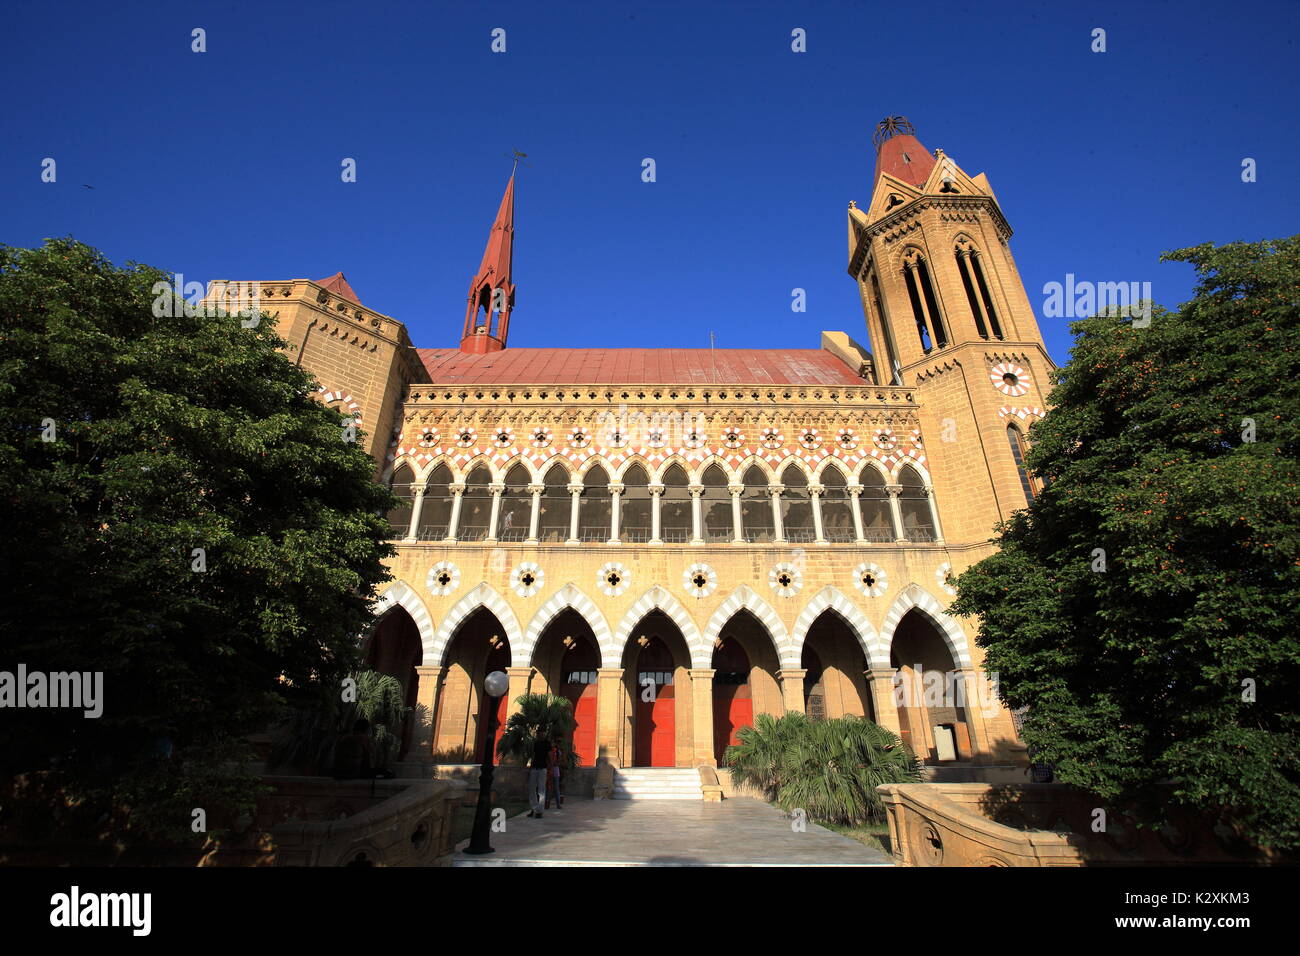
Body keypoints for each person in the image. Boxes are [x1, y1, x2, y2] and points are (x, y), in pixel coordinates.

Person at [526, 730, 549, 818]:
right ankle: (533, 808)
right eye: (539, 733)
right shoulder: (535, 743)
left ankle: (539, 811)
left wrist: (549, 767)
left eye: (542, 732)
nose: (540, 734)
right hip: (534, 768)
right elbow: (533, 756)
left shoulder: (547, 743)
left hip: (542, 768)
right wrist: (530, 767)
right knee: (532, 789)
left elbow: (549, 755)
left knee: (541, 791)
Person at [545, 738, 564, 810]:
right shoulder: (550, 750)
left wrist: (556, 763)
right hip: (549, 769)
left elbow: (559, 761)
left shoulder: (558, 751)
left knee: (556, 787)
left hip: (555, 770)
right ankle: (547, 803)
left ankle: (558, 804)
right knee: (548, 787)